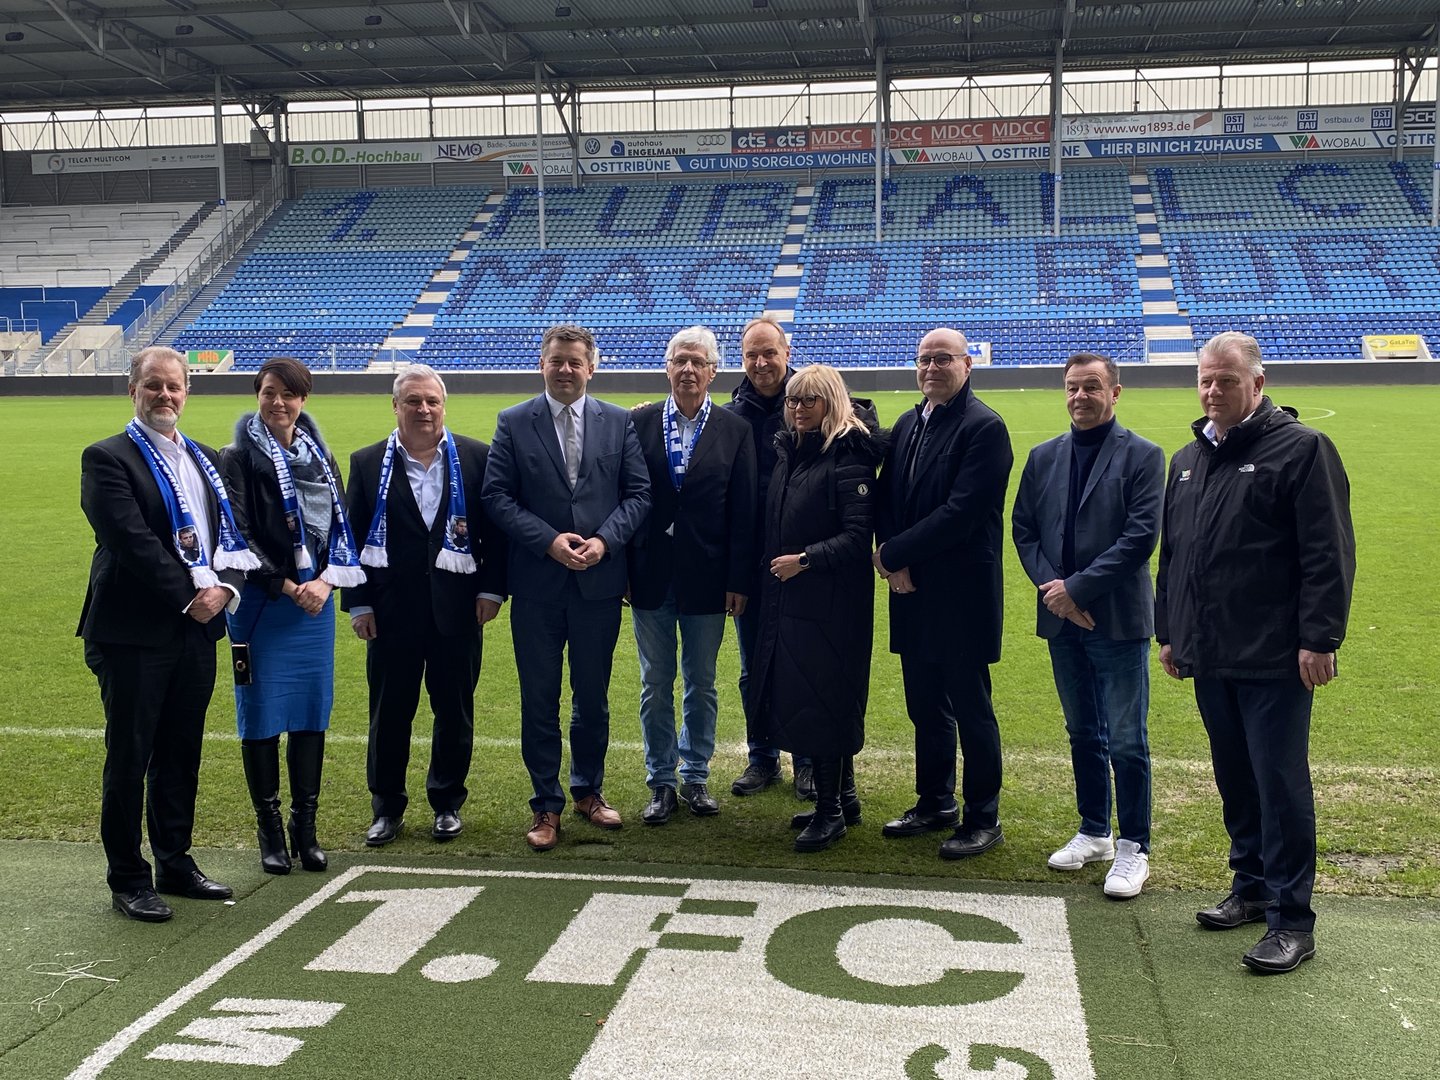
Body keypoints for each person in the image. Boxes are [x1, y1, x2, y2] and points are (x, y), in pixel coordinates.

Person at [1156, 331, 1355, 975]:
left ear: (1258, 383)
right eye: (1206, 380)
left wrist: (1319, 637)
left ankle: (1291, 919)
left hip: (1274, 654)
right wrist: (1171, 631)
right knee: (1235, 777)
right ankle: (1249, 885)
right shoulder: (1187, 459)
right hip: (1209, 651)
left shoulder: (1301, 450)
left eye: (1228, 381)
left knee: (1279, 783)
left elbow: (1327, 553)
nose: (1214, 391)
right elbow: (1176, 558)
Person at [79, 346, 255, 922]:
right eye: (152, 385)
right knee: (130, 754)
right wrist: (190, 596)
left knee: (181, 752)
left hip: (198, 631)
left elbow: (234, 535)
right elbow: (130, 540)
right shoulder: (108, 457)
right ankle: (128, 876)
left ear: (187, 391)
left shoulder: (205, 458)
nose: (164, 396)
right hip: (135, 632)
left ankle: (175, 862)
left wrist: (224, 592)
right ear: (133, 389)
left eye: (173, 386)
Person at [482, 324, 651, 851]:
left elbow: (639, 495)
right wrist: (550, 541)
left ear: (591, 367)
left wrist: (603, 543)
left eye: (575, 362)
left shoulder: (618, 422)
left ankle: (588, 791)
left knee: (593, 699)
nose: (565, 369)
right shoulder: (513, 422)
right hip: (537, 585)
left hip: (598, 584)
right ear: (542, 363)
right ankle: (545, 805)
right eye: (556, 360)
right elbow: (497, 497)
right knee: (539, 698)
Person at [1011, 352, 1165, 898]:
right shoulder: (1043, 456)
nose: (1080, 397)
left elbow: (1141, 537)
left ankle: (1134, 846)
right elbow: (1023, 528)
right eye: (1073, 388)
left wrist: (1076, 590)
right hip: (1062, 621)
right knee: (1082, 732)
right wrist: (1056, 592)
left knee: (1127, 739)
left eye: (1092, 388)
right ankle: (1095, 830)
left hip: (1116, 620)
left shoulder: (1144, 456)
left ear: (1115, 393)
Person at [342, 364, 507, 847]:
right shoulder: (368, 462)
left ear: (444, 405)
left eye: (432, 401)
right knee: (389, 712)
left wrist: (491, 591)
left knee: (454, 710)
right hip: (391, 614)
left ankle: (446, 802)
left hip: (458, 611)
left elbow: (495, 534)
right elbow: (351, 537)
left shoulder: (477, 457)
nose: (423, 409)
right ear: (395, 406)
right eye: (412, 400)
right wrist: (358, 604)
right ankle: (386, 807)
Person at [222, 357, 366, 875]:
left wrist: (325, 582)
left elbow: (343, 527)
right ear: (257, 397)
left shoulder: (320, 457)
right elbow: (237, 535)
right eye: (268, 393)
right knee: (260, 717)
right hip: (262, 608)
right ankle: (270, 831)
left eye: (289, 393)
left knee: (309, 714)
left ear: (303, 399)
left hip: (314, 607)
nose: (278, 402)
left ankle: (306, 829)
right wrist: (285, 584)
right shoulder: (235, 458)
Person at [874, 327, 1013, 860]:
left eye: (943, 359)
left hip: (960, 594)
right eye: (924, 359)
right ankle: (935, 801)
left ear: (967, 365)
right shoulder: (910, 422)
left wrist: (894, 555)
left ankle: (984, 817)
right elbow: (887, 497)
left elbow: (962, 512)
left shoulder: (984, 428)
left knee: (971, 708)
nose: (932, 368)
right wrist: (893, 555)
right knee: (924, 705)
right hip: (911, 589)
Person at [747, 364, 883, 853]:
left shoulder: (847, 454)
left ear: (831, 403)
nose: (798, 409)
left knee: (826, 699)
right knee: (811, 695)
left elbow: (856, 534)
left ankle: (830, 812)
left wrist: (806, 560)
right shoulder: (793, 450)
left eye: (809, 401)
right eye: (792, 401)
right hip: (794, 598)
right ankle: (842, 799)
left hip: (831, 601)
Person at [628, 327, 756, 824]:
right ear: (667, 368)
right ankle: (661, 780)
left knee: (701, 683)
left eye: (697, 362)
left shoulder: (734, 429)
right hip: (650, 575)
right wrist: (623, 569)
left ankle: (696, 776)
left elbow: (743, 511)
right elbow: (626, 501)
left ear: (712, 372)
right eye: (679, 360)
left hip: (709, 576)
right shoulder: (636, 425)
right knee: (655, 683)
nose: (687, 369)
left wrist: (739, 579)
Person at [724, 316, 814, 801]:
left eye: (769, 353)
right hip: (753, 565)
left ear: (786, 351)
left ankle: (805, 759)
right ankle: (762, 757)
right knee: (751, 663)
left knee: (799, 660)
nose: (761, 363)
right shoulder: (730, 415)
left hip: (801, 561)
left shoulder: (810, 404)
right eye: (751, 355)